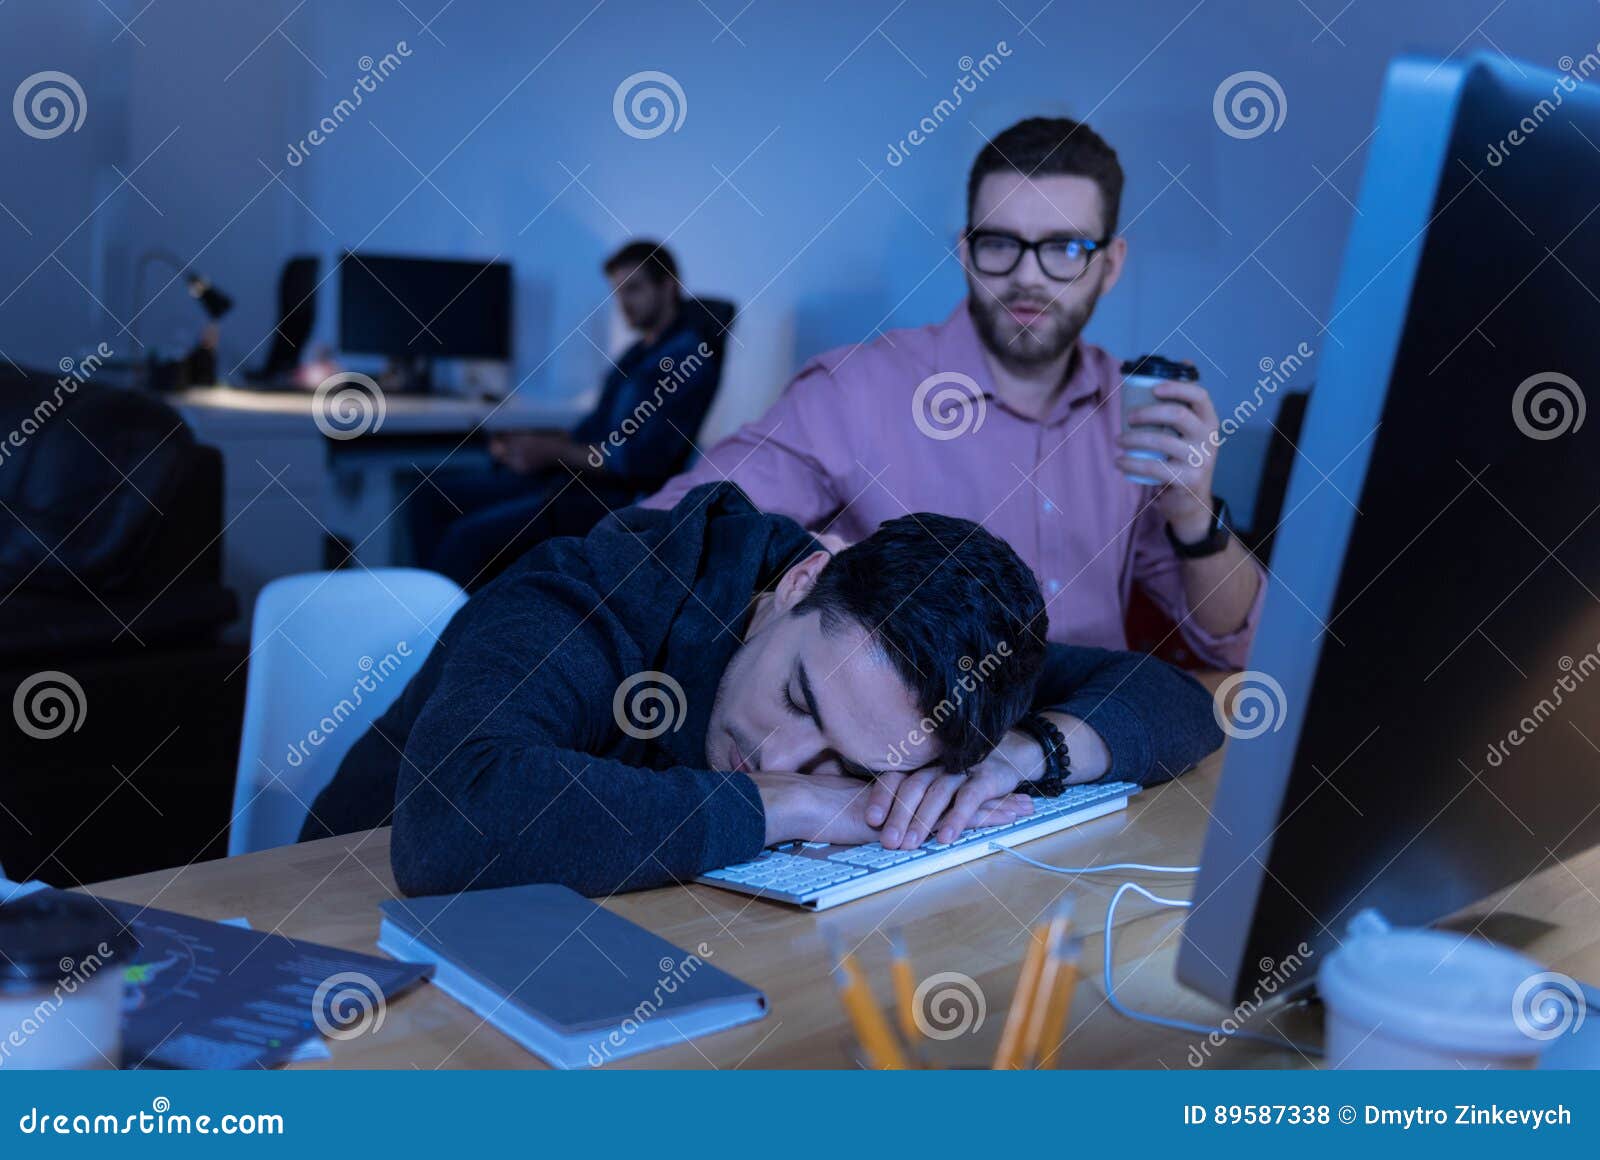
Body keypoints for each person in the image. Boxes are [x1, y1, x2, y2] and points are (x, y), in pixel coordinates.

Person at [306, 482, 1223, 898]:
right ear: (799, 582)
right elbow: (450, 821)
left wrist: (1017, 758)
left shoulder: (924, 679)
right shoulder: (590, 589)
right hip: (333, 923)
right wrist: (795, 804)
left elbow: (1173, 698)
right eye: (797, 700)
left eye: (848, 765)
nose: (781, 754)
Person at [648, 117, 1265, 668]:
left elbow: (1236, 644)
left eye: (1065, 248)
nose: (1028, 276)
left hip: (1101, 730)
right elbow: (665, 535)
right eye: (1001, 244)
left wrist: (1195, 517)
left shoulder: (1132, 415)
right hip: (914, 747)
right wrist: (819, 571)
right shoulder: (855, 391)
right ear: (967, 252)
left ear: (1110, 264)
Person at [409, 240, 725, 589]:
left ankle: (452, 622)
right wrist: (535, 444)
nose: (624, 303)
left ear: (668, 286)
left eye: (634, 289)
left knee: (465, 540)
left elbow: (638, 461)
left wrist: (552, 451)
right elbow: (594, 429)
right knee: (429, 498)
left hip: (607, 500)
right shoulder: (637, 353)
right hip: (573, 479)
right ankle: (424, 609)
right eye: (618, 292)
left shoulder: (685, 360)